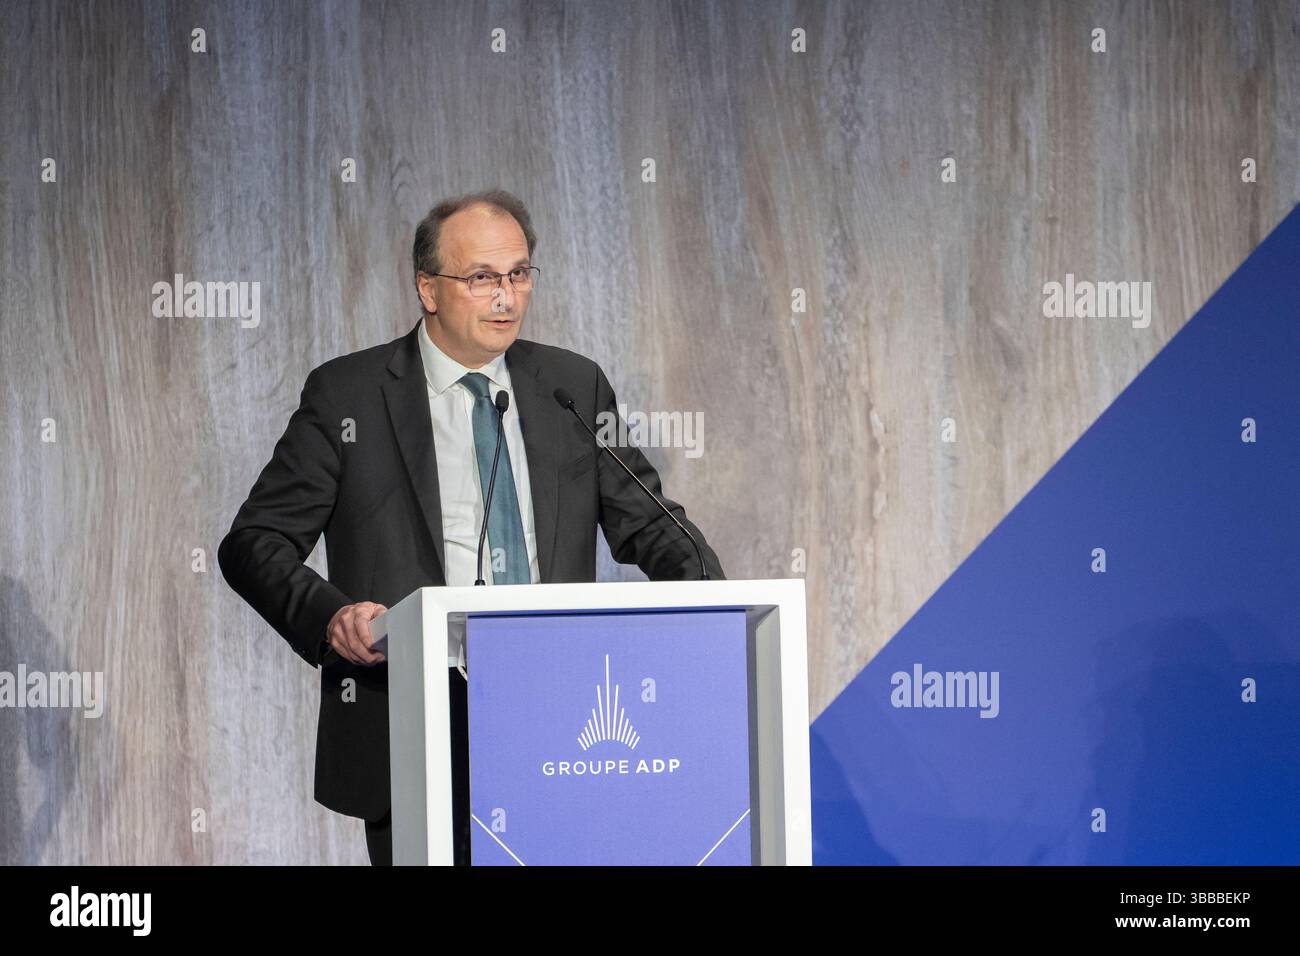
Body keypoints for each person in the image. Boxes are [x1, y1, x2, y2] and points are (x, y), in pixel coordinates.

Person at [217, 189, 726, 865]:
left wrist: (714, 610)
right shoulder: (350, 395)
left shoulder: (570, 386)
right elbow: (254, 543)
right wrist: (332, 617)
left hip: (561, 713)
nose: (507, 297)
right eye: (482, 278)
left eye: (519, 274)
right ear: (428, 289)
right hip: (417, 709)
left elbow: (649, 525)